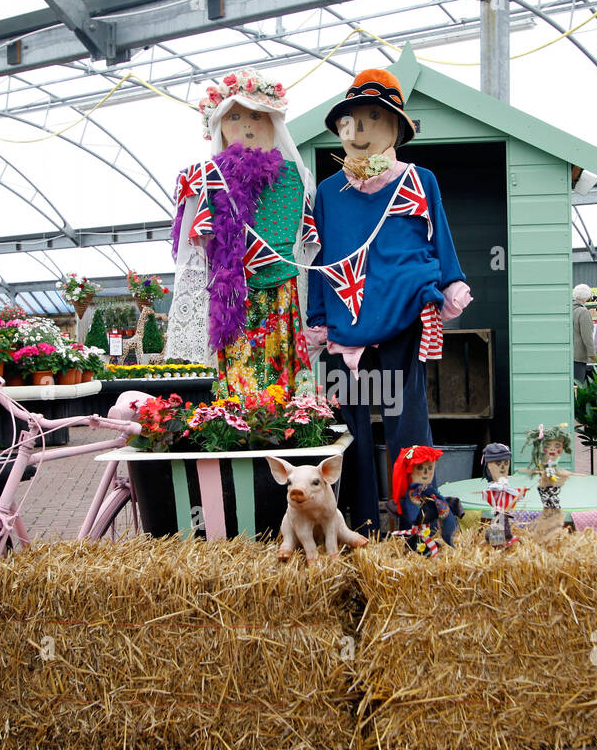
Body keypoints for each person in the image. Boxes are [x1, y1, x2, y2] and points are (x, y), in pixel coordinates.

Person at [303, 68, 472, 535]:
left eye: (373, 118)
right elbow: (318, 257)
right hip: (344, 323)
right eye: (351, 121)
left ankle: (417, 523)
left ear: (394, 127)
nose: (359, 131)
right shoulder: (327, 192)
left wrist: (451, 281)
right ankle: (351, 524)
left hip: (403, 314)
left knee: (408, 425)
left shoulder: (420, 180)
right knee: (346, 429)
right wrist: (318, 316)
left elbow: (441, 235)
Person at [164, 69, 319, 396]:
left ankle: (283, 433)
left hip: (282, 293)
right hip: (231, 296)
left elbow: (308, 246)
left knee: (283, 386)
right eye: (235, 116)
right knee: (238, 384)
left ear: (273, 123)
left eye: (257, 116)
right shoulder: (206, 177)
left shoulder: (297, 178)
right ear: (220, 125)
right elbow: (192, 254)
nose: (248, 124)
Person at [572, 284, 597, 384]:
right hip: (579, 355)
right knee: (578, 384)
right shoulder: (583, 312)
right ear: (587, 297)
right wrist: (592, 352)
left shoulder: (569, 310)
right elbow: (587, 335)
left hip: (568, 354)